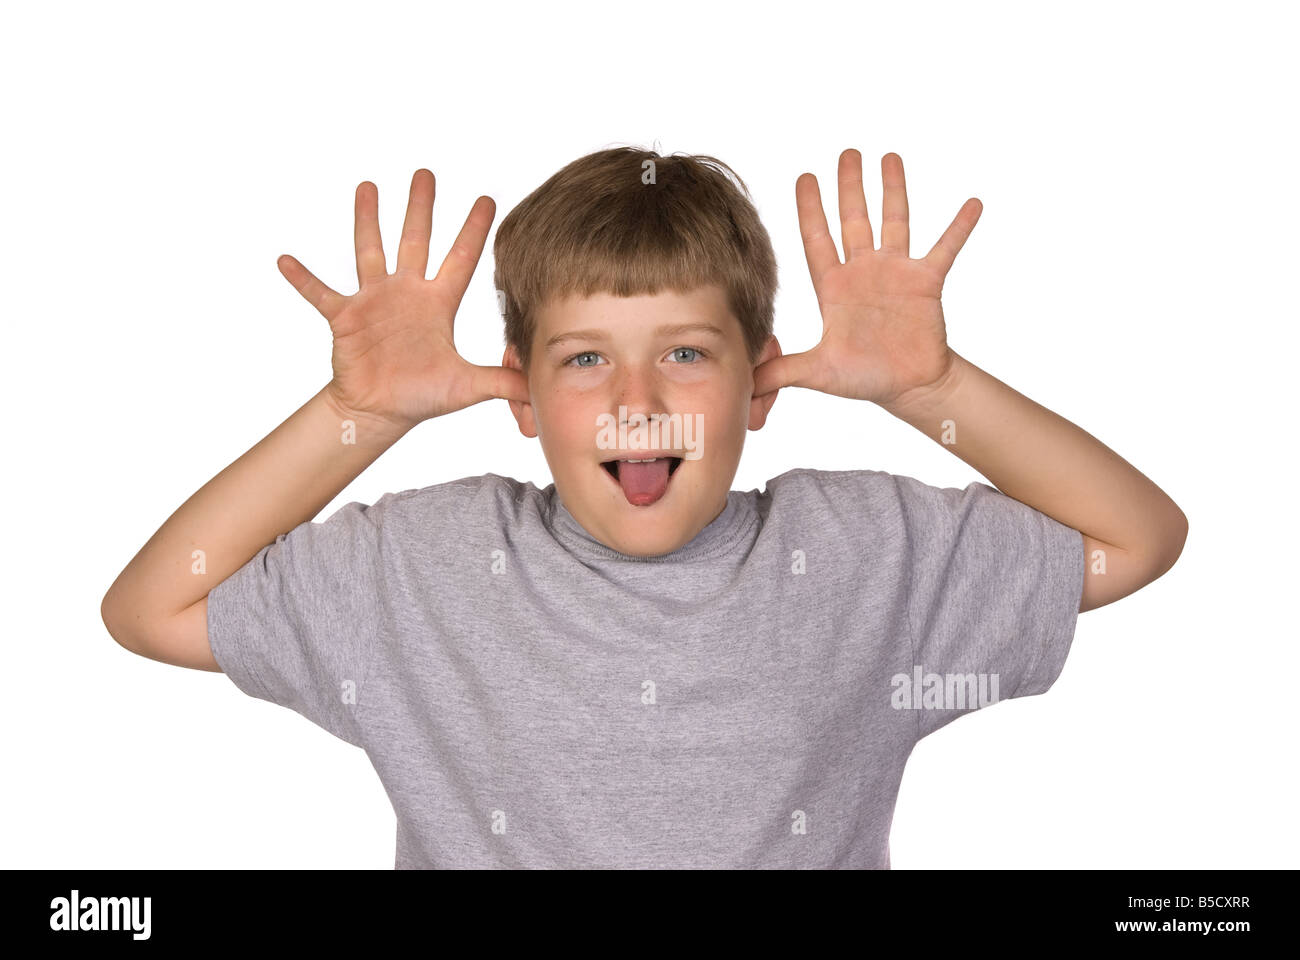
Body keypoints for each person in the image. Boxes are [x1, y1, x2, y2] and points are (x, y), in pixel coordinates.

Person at [100, 147, 1188, 868]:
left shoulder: (862, 556)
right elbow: (153, 610)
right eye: (583, 361)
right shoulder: (423, 565)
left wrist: (930, 389)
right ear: (520, 394)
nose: (635, 400)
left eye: (683, 352)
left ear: (758, 382)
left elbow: (1134, 538)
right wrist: (358, 414)